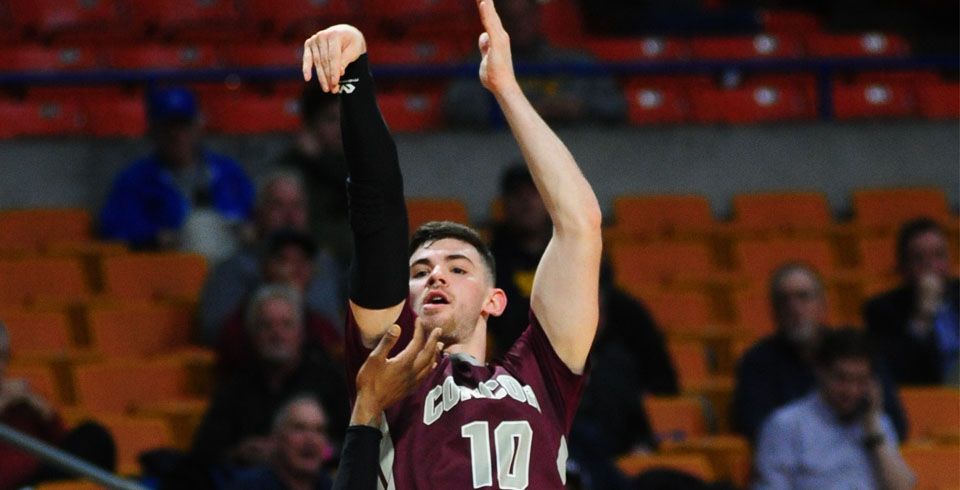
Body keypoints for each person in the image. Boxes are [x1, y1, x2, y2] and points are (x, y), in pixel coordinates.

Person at [301, 0, 603, 485]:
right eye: (419, 272)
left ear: (494, 300)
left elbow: (580, 224)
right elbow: (376, 214)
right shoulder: (390, 365)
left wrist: (506, 90)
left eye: (458, 267)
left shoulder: (540, 375)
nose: (436, 274)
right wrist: (356, 77)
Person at [731, 263, 906, 444]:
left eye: (803, 297)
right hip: (793, 461)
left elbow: (895, 425)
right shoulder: (757, 361)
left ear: (823, 304)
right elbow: (754, 426)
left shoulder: (857, 351)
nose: (794, 308)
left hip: (858, 455)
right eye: (784, 300)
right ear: (773, 311)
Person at [191, 285, 349, 469]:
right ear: (252, 334)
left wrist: (313, 451)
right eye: (266, 325)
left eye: (286, 324)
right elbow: (205, 451)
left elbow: (353, 447)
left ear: (300, 332)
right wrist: (239, 453)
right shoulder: (236, 386)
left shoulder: (330, 380)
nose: (277, 334)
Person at [99, 86, 255, 261]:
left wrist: (249, 229)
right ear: (154, 130)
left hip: (233, 264)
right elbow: (115, 228)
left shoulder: (228, 171)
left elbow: (255, 214)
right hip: (170, 268)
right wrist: (154, 237)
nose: (176, 134)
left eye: (183, 125)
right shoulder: (135, 180)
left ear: (197, 126)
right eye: (167, 126)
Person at [753, 327, 914, 490]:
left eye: (860, 381)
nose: (851, 391)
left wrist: (873, 432)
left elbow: (902, 488)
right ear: (820, 371)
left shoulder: (878, 423)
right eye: (841, 378)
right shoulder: (785, 425)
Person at [198, 171, 344, 347]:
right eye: (278, 205)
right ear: (258, 213)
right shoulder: (232, 268)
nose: (290, 215)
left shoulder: (325, 264)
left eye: (297, 206)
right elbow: (211, 332)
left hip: (326, 365)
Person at [443, 0, 625, 127]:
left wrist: (578, 108)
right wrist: (530, 113)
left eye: (525, 15)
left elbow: (616, 105)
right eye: (510, 18)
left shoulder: (576, 61)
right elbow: (455, 108)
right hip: (503, 152)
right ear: (497, 20)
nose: (519, 24)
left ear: (537, 14)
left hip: (577, 147)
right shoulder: (482, 65)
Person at [0, 321, 115, 490]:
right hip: (10, 482)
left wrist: (45, 413)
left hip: (39, 477)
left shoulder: (20, 402)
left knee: (94, 435)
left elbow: (62, 446)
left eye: (3, 356)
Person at [215, 230, 344, 378]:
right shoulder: (241, 323)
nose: (297, 268)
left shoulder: (323, 326)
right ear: (265, 267)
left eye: (303, 260)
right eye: (285, 260)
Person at [863, 217, 959, 385]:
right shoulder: (882, 309)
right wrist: (922, 316)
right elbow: (897, 370)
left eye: (939, 255)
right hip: (928, 396)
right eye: (919, 258)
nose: (930, 266)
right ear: (903, 267)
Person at [273, 84, 352, 266]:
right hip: (306, 258)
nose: (340, 127)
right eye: (331, 120)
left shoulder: (366, 160)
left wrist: (319, 161)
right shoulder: (292, 164)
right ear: (311, 124)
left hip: (353, 258)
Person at [228, 395, 334, 490]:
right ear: (276, 439)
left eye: (319, 430)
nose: (311, 440)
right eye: (299, 428)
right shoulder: (248, 486)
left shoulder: (334, 485)